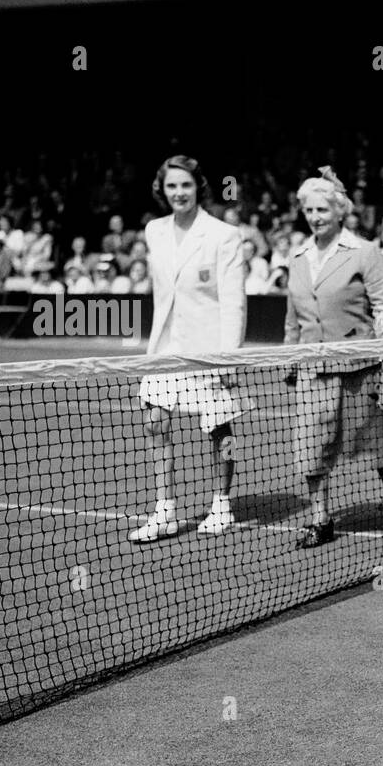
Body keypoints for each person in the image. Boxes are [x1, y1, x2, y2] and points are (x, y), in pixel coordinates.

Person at [284, 167, 383, 548]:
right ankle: (319, 519)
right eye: (309, 210)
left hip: (361, 364)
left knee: (377, 440)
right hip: (312, 367)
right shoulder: (296, 257)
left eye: (322, 209)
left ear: (340, 211)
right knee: (311, 446)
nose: (315, 217)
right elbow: (293, 316)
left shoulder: (364, 252)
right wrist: (290, 357)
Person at [128, 155, 246, 543]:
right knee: (154, 423)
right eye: (172, 185)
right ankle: (165, 511)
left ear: (199, 188)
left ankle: (221, 504)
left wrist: (229, 356)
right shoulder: (153, 231)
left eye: (186, 185)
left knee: (219, 431)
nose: (179, 192)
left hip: (208, 350)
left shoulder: (223, 235)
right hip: (165, 348)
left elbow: (233, 301)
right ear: (162, 189)